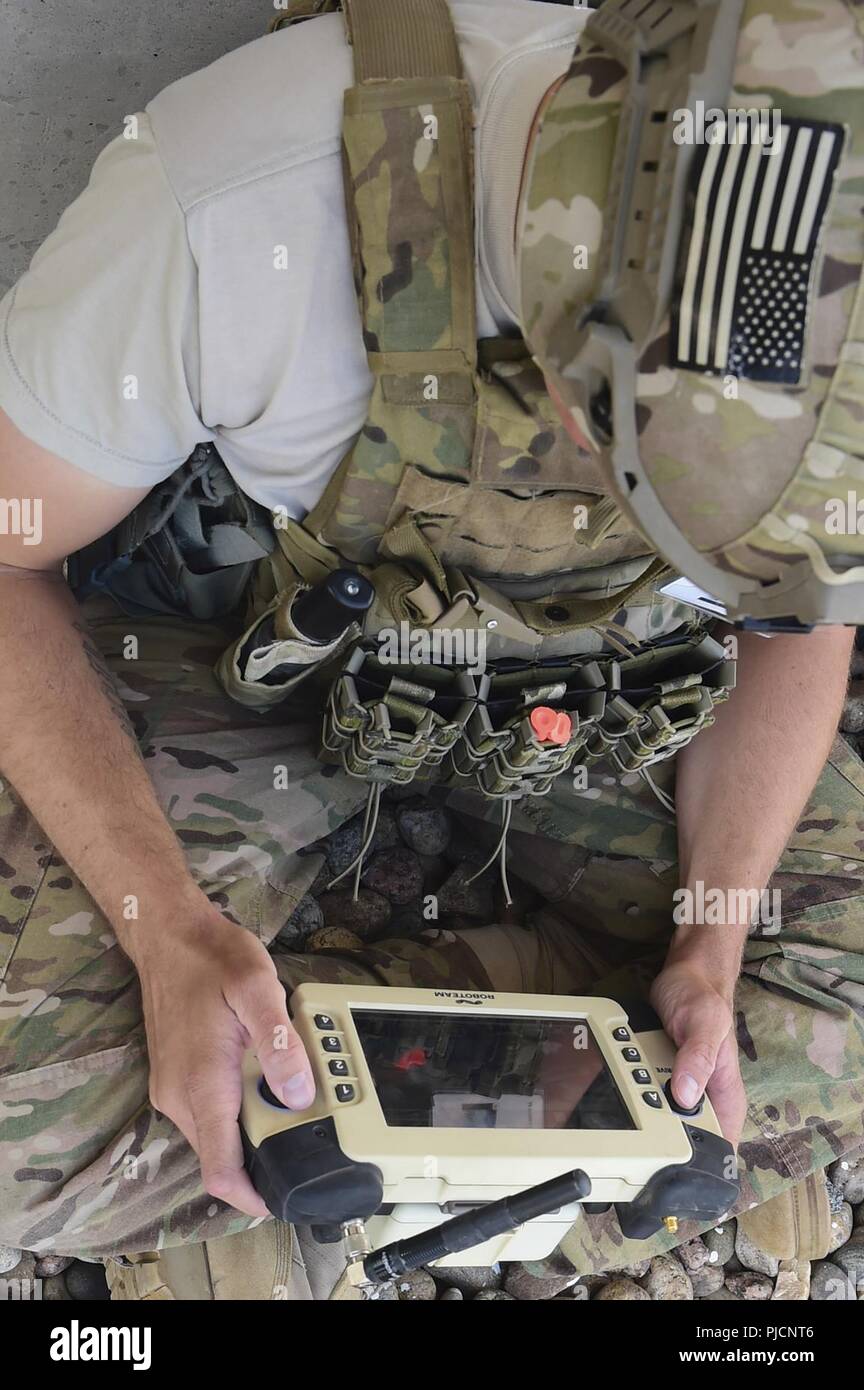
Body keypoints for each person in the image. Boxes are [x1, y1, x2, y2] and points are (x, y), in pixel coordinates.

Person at [0, 0, 861, 1297]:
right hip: (270, 693)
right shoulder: (240, 204)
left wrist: (714, 939)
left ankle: (338, 1103)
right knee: (21, 1131)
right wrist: (162, 924)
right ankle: (521, 1114)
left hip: (610, 726)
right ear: (576, 398)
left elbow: (800, 623)